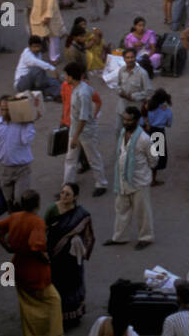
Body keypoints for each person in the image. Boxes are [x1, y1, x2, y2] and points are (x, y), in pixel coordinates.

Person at [0, 191, 65, 336]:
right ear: (37, 204)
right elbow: (36, 245)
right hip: (35, 270)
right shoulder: (37, 222)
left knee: (27, 304)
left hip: (18, 266)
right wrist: (45, 258)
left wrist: (7, 247)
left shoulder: (15, 217)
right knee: (53, 300)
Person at [44, 183, 96, 328]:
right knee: (58, 285)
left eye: (68, 194)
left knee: (73, 285)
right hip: (56, 255)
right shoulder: (52, 209)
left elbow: (89, 236)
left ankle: (73, 317)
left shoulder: (81, 214)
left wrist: (82, 252)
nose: (64, 196)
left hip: (72, 259)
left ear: (75, 197)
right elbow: (43, 229)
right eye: (62, 193)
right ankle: (58, 317)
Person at [104, 107, 154, 249]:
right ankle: (120, 237)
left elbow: (153, 159)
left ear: (136, 121)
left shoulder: (145, 139)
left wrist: (143, 171)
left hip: (139, 181)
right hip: (122, 180)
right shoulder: (122, 133)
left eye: (129, 120)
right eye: (124, 119)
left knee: (142, 212)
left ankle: (145, 237)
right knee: (121, 209)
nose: (125, 122)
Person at [63, 61, 108, 194]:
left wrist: (75, 137)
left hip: (85, 131)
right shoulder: (79, 88)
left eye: (66, 75)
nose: (65, 77)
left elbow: (83, 118)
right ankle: (67, 186)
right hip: (77, 129)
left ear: (71, 77)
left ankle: (101, 183)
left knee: (93, 157)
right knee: (70, 159)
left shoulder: (82, 92)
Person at [0, 96, 36, 208]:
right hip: (4, 170)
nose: (4, 113)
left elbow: (26, 140)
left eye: (7, 109)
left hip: (22, 169)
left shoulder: (23, 124)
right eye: (2, 109)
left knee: (20, 201)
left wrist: (29, 123)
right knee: (8, 201)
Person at [14, 35, 61, 100]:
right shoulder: (27, 54)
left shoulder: (38, 53)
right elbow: (37, 62)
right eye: (34, 47)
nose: (37, 49)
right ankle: (41, 95)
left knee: (55, 82)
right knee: (38, 70)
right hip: (21, 84)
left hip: (33, 83)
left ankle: (45, 93)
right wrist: (52, 68)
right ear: (29, 47)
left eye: (38, 46)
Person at [145, 88, 172, 186]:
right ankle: (153, 180)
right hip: (159, 132)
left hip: (148, 131)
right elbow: (169, 124)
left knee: (148, 154)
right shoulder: (166, 110)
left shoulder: (149, 107)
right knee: (157, 157)